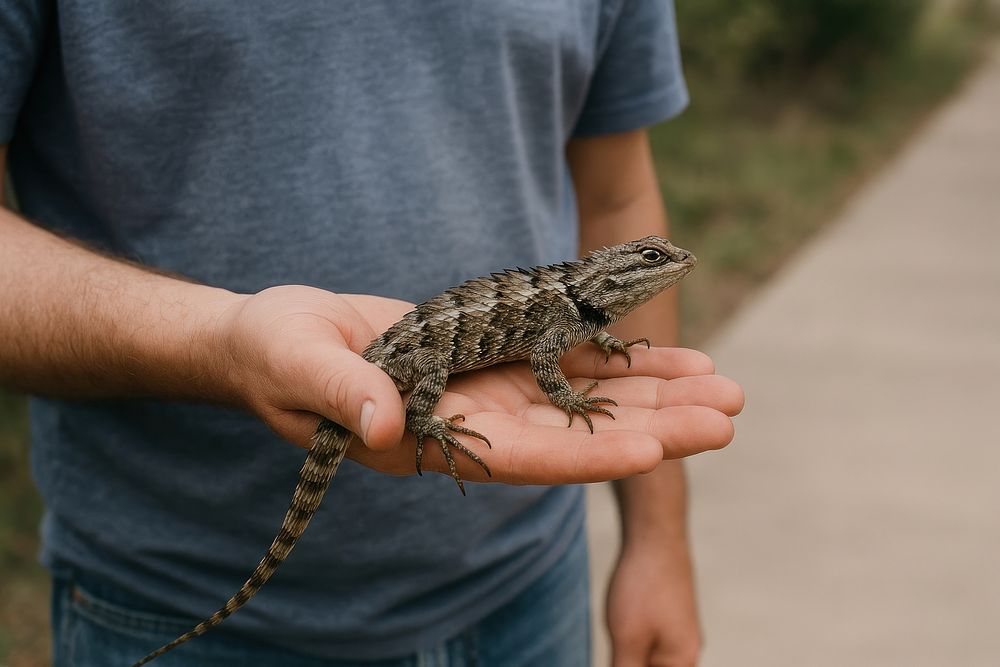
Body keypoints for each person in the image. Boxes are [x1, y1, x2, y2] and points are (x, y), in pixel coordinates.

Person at [0, 2, 743, 666]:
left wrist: (658, 538)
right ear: (611, 283)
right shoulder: (562, 315)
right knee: (420, 382)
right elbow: (548, 363)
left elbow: (614, 193)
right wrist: (221, 339)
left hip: (534, 576)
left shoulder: (581, 307)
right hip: (158, 585)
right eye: (650, 265)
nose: (666, 269)